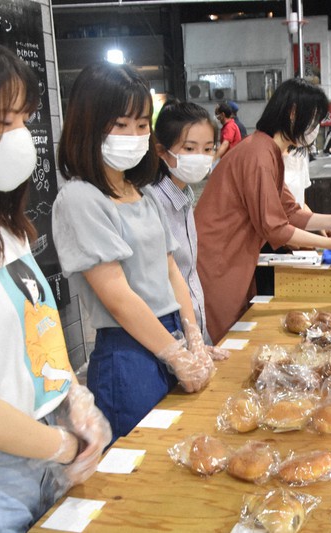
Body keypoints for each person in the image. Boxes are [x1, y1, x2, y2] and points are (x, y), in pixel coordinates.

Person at [0, 31, 110, 532]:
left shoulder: (1, 226)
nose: (21, 136)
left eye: (25, 119)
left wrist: (74, 400)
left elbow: (40, 336)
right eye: (3, 121)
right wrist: (62, 445)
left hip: (39, 453)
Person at [53, 62, 215, 443]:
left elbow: (171, 269)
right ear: (88, 125)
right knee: (147, 465)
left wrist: (192, 336)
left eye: (142, 124)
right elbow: (119, 298)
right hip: (128, 355)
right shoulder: (80, 198)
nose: (134, 134)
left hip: (169, 335)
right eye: (121, 124)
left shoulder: (143, 194)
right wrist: (175, 354)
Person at [195, 78, 331, 343]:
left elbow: (290, 212)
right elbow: (275, 227)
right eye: (314, 120)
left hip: (234, 258)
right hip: (219, 261)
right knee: (222, 341)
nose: (316, 128)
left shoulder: (268, 151)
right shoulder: (259, 155)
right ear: (293, 113)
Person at [145, 98, 226, 353]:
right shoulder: (152, 200)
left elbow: (188, 274)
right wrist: (185, 348)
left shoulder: (185, 195)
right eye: (189, 149)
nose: (201, 158)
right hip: (169, 343)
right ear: (161, 150)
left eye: (208, 148)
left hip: (193, 338)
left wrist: (201, 342)